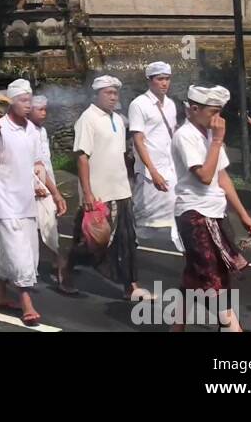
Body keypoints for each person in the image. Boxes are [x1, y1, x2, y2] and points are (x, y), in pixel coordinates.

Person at [172, 85, 251, 331]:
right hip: (195, 215)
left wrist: (243, 214)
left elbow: (222, 178)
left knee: (197, 275)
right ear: (195, 109)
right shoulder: (185, 135)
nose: (218, 119)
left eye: (220, 112)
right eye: (213, 112)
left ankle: (177, 327)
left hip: (215, 212)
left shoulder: (209, 135)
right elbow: (204, 176)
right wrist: (218, 140)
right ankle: (232, 327)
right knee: (213, 277)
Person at [63, 75, 153, 300]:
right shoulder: (88, 119)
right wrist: (88, 192)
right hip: (99, 193)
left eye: (115, 93)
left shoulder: (118, 120)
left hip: (121, 189)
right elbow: (82, 157)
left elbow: (121, 155)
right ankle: (66, 269)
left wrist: (130, 180)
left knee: (127, 240)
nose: (113, 97)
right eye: (108, 93)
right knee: (91, 241)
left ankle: (131, 286)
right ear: (96, 95)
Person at [0, 79, 66, 326]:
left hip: (26, 200)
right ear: (11, 102)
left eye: (29, 100)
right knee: (20, 253)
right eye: (23, 100)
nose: (27, 104)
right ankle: (26, 302)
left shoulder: (32, 131)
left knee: (25, 252)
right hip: (4, 199)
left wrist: (55, 192)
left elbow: (38, 166)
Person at [128, 61, 180, 236]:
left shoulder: (171, 105)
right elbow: (138, 139)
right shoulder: (139, 104)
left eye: (167, 79)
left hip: (171, 168)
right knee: (146, 220)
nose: (164, 83)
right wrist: (153, 170)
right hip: (150, 171)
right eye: (160, 79)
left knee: (172, 219)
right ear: (150, 81)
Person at [26, 94, 70, 284]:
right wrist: (40, 186)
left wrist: (54, 189)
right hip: (32, 187)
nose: (44, 113)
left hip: (46, 184)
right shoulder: (26, 132)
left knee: (48, 223)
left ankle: (56, 262)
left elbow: (45, 163)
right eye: (40, 109)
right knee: (34, 226)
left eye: (45, 109)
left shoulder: (42, 131)